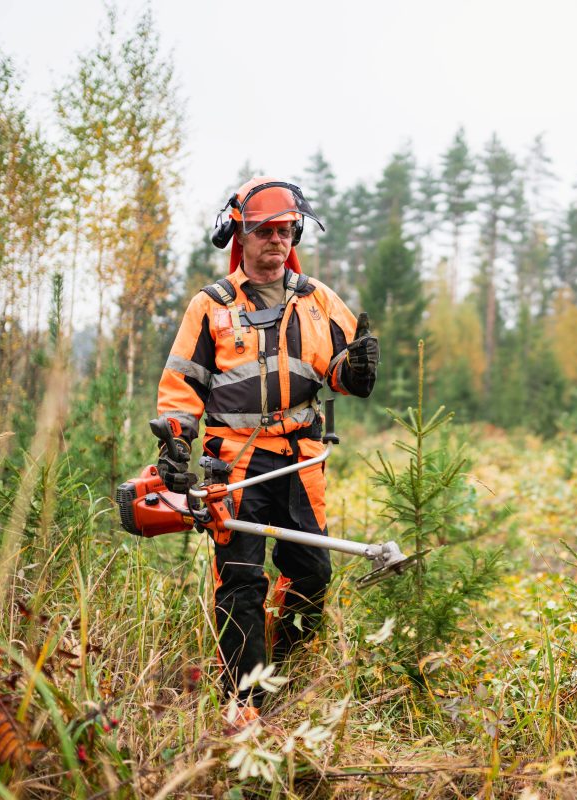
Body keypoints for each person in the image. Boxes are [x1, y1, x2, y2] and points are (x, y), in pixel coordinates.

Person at [155, 177, 378, 719]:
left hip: (301, 458)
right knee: (240, 580)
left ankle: (287, 667)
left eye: (285, 231)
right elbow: (182, 383)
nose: (276, 241)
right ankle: (244, 703)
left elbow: (342, 375)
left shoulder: (319, 300)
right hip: (233, 460)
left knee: (312, 573)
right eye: (265, 232)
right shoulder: (210, 306)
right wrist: (176, 443)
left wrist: (359, 369)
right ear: (240, 234)